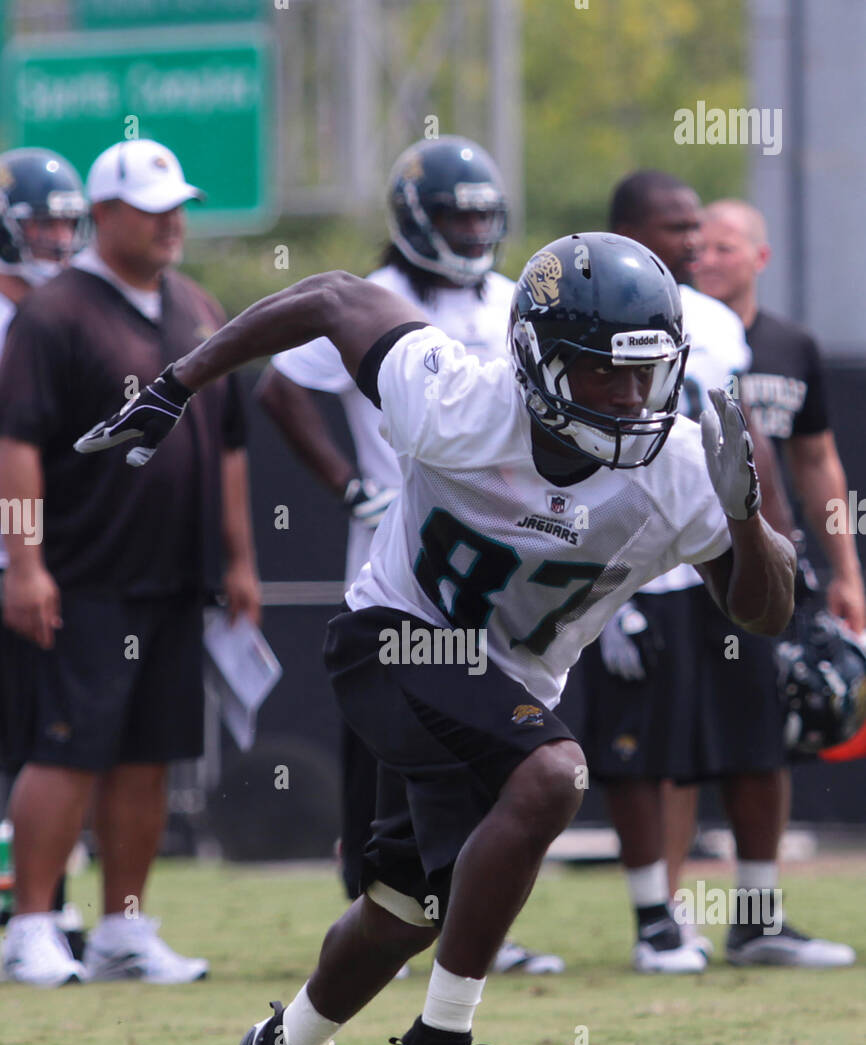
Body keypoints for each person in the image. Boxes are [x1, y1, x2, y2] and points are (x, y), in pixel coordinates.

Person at [75, 232, 796, 1045]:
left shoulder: (678, 469)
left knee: (404, 911)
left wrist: (747, 522)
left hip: (506, 687)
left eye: (646, 376)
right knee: (551, 774)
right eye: (601, 376)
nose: (628, 401)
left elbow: (764, 613)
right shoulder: (453, 393)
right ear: (537, 361)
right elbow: (333, 296)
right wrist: (179, 381)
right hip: (394, 639)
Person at [257, 135, 561, 976]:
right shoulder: (376, 298)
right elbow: (280, 386)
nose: (471, 231)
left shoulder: (515, 299)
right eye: (455, 215)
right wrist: (350, 482)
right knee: (392, 742)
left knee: (493, 741)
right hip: (397, 559)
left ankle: (473, 914)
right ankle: (377, 907)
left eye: (481, 216)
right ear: (417, 219)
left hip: (498, 564)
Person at [578, 171, 853, 973]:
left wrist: (774, 538)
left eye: (701, 227)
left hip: (715, 546)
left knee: (755, 735)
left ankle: (758, 917)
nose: (694, 243)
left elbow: (744, 436)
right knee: (642, 750)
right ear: (628, 230)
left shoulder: (710, 321)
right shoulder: (583, 309)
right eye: (677, 228)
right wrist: (599, 583)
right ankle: (655, 921)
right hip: (636, 565)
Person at [0, 138, 259, 988]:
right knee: (67, 750)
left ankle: (122, 929)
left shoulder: (196, 304)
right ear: (103, 217)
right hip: (86, 573)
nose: (170, 224)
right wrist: (25, 562)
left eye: (178, 207)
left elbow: (226, 446)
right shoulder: (55, 314)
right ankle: (33, 924)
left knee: (148, 757)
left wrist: (240, 559)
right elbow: (18, 447)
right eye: (150, 211)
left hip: (173, 576)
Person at [695, 198, 866, 635]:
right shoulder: (678, 341)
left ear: (761, 256)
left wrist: (846, 572)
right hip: (688, 563)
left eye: (725, 249)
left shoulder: (792, 345)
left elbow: (816, 462)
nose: (708, 261)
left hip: (770, 562)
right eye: (700, 250)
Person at [0, 147, 91, 958]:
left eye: (69, 222)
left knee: (49, 740)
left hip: (53, 561)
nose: (59, 238)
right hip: (17, 559)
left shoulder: (67, 319)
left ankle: (45, 909)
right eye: (42, 223)